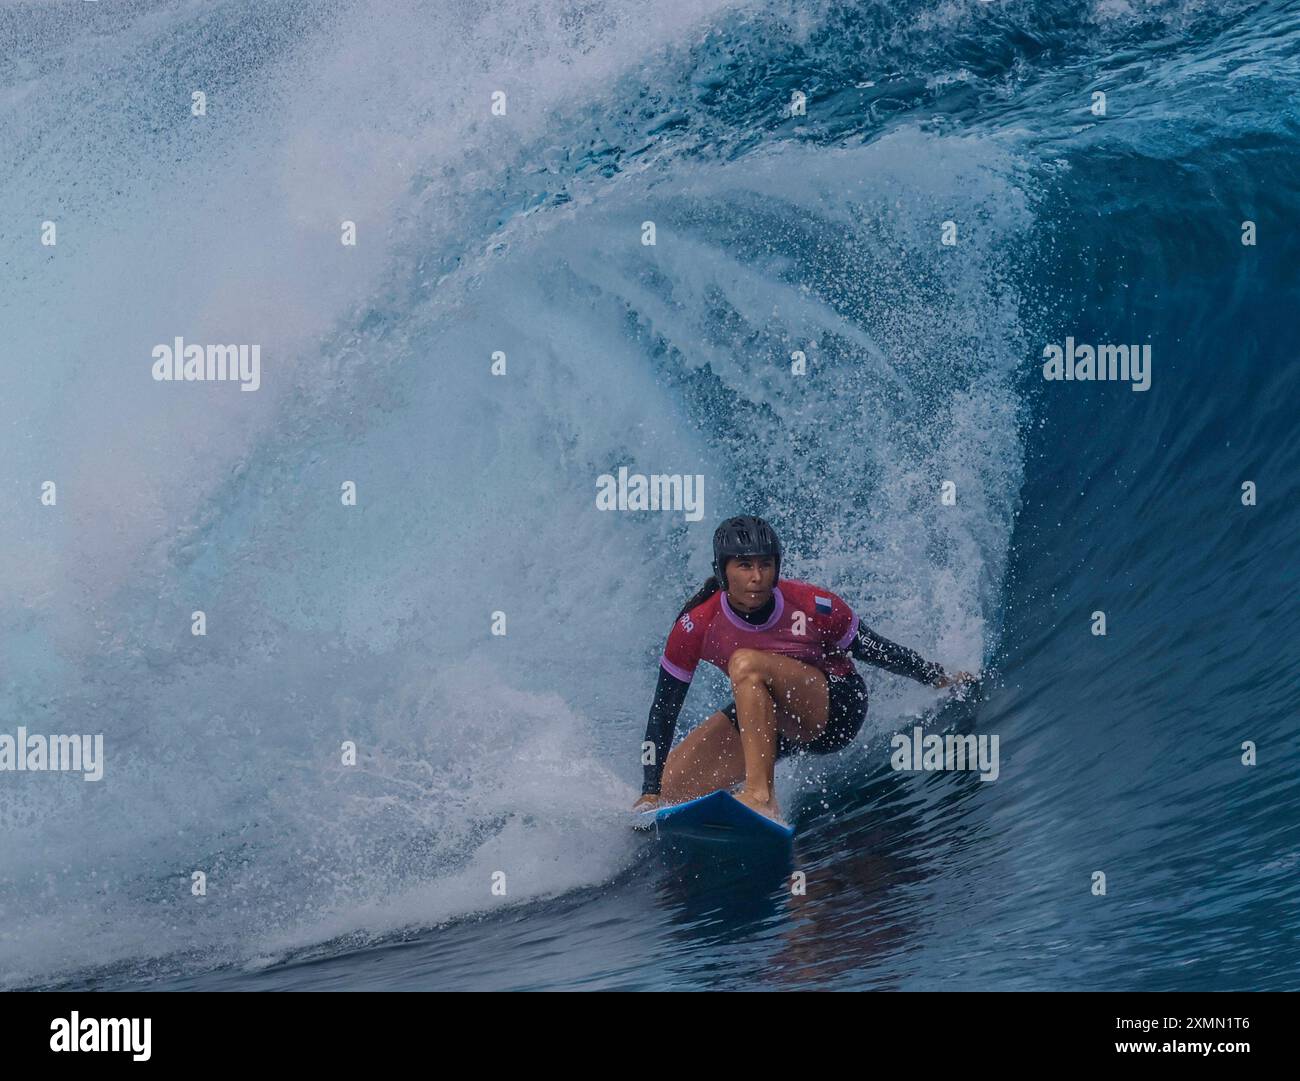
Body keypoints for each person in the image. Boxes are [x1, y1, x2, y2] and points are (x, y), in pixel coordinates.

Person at [633, 515, 976, 822]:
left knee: (745, 663)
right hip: (772, 721)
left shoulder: (812, 604)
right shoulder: (695, 626)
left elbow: (877, 649)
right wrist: (649, 790)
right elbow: (663, 710)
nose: (756, 577)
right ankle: (682, 802)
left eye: (765, 565)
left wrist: (938, 677)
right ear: (722, 569)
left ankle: (761, 797)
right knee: (670, 789)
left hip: (836, 707)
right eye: (744, 565)